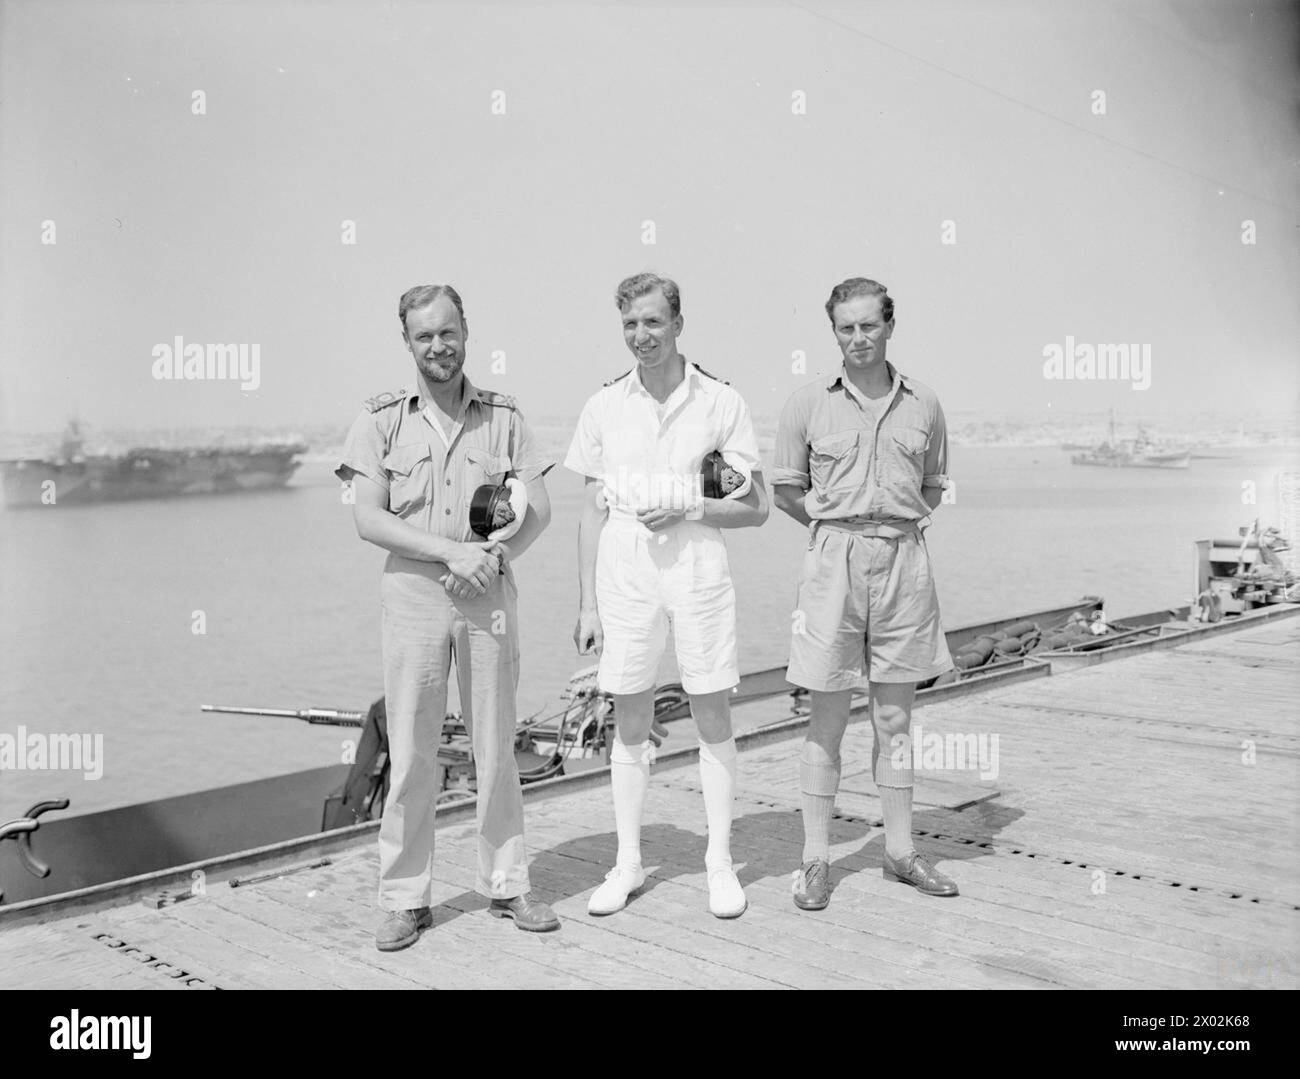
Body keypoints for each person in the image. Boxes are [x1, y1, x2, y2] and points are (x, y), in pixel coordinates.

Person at [336, 284, 560, 951]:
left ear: (467, 331)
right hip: (412, 595)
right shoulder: (379, 420)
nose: (439, 346)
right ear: (407, 342)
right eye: (424, 335)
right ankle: (406, 898)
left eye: (448, 331)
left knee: (496, 743)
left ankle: (508, 881)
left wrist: (493, 556)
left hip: (486, 590)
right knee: (410, 751)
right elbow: (367, 516)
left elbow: (539, 506)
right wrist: (449, 553)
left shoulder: (505, 417)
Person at [565, 272, 768, 919]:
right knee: (629, 716)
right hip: (624, 566)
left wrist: (689, 502)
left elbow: (757, 506)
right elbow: (590, 511)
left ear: (678, 322)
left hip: (696, 561)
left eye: (653, 322)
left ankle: (719, 862)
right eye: (630, 324)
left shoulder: (720, 401)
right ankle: (627, 862)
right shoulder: (604, 405)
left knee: (711, 707)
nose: (641, 336)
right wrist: (586, 605)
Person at [772, 277, 958, 911]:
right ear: (834, 332)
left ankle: (901, 852)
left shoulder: (925, 404)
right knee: (825, 719)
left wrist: (889, 527)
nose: (857, 338)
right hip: (833, 567)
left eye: (868, 326)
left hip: (905, 562)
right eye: (845, 328)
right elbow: (785, 489)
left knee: (894, 719)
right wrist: (836, 533)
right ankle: (815, 859)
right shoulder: (806, 404)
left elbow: (934, 486)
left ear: (889, 326)